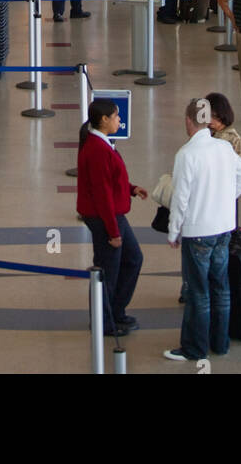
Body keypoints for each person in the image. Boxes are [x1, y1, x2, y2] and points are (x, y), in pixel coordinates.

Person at [164, 96, 241, 363]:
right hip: (223, 228)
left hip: (198, 231)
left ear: (189, 121)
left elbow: (180, 198)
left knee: (198, 292)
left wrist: (173, 231)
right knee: (221, 287)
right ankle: (220, 342)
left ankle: (194, 348)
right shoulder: (224, 149)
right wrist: (225, 199)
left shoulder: (186, 154)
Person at [77, 97, 147, 335]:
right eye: (116, 116)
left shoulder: (102, 143)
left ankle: (116, 310)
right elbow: (102, 193)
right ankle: (104, 321)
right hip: (106, 218)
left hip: (112, 215)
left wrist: (130, 188)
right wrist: (113, 232)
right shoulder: (97, 148)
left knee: (132, 259)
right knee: (108, 270)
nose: (119, 120)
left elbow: (111, 180)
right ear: (104, 119)